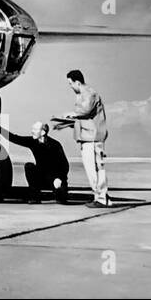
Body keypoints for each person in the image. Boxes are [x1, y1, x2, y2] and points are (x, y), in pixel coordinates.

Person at [56, 69, 111, 207]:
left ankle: (101, 198)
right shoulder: (85, 93)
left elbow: (85, 111)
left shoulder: (88, 93)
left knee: (93, 169)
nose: (70, 87)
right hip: (90, 136)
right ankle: (102, 197)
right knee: (96, 168)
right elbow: (85, 117)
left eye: (70, 83)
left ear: (77, 82)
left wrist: (71, 114)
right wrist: (65, 124)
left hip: (91, 138)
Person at [0, 120, 69, 203]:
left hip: (55, 179)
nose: (32, 131)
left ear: (43, 132)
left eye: (35, 129)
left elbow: (65, 165)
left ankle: (60, 192)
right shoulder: (33, 141)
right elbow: (14, 138)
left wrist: (59, 178)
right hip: (42, 177)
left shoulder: (55, 145)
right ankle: (35, 196)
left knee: (62, 199)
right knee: (29, 166)